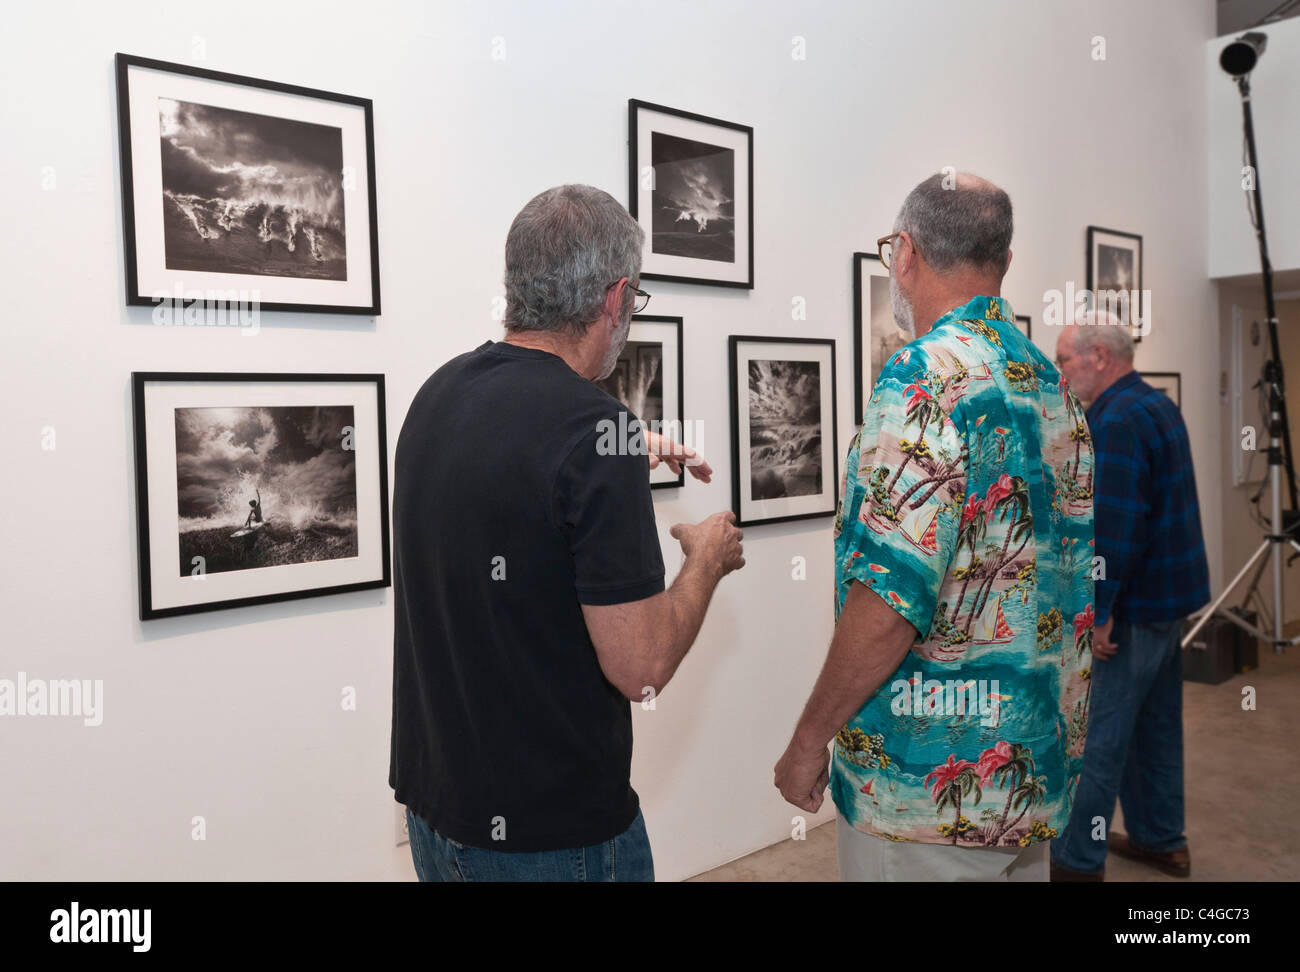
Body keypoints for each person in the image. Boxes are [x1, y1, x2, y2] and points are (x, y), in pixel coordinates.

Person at [389, 184, 745, 882]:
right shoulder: (591, 435)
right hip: (552, 839)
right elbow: (641, 669)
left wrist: (620, 447)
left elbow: (515, 475)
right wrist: (705, 561)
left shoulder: (439, 394)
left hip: (438, 813)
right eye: (635, 304)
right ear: (614, 300)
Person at [774, 172, 1095, 881]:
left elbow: (891, 599)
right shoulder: (1049, 384)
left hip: (927, 790)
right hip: (1029, 776)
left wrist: (807, 739)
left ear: (906, 255)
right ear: (1004, 264)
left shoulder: (919, 379)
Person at [1049, 311, 1210, 881]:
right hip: (1172, 602)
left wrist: (1099, 612)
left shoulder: (1114, 421)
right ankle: (1162, 840)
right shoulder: (1154, 403)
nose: (1060, 372)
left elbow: (1114, 531)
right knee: (1156, 729)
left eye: (1065, 359)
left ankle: (1076, 861)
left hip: (1134, 612)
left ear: (1098, 357)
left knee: (1098, 740)